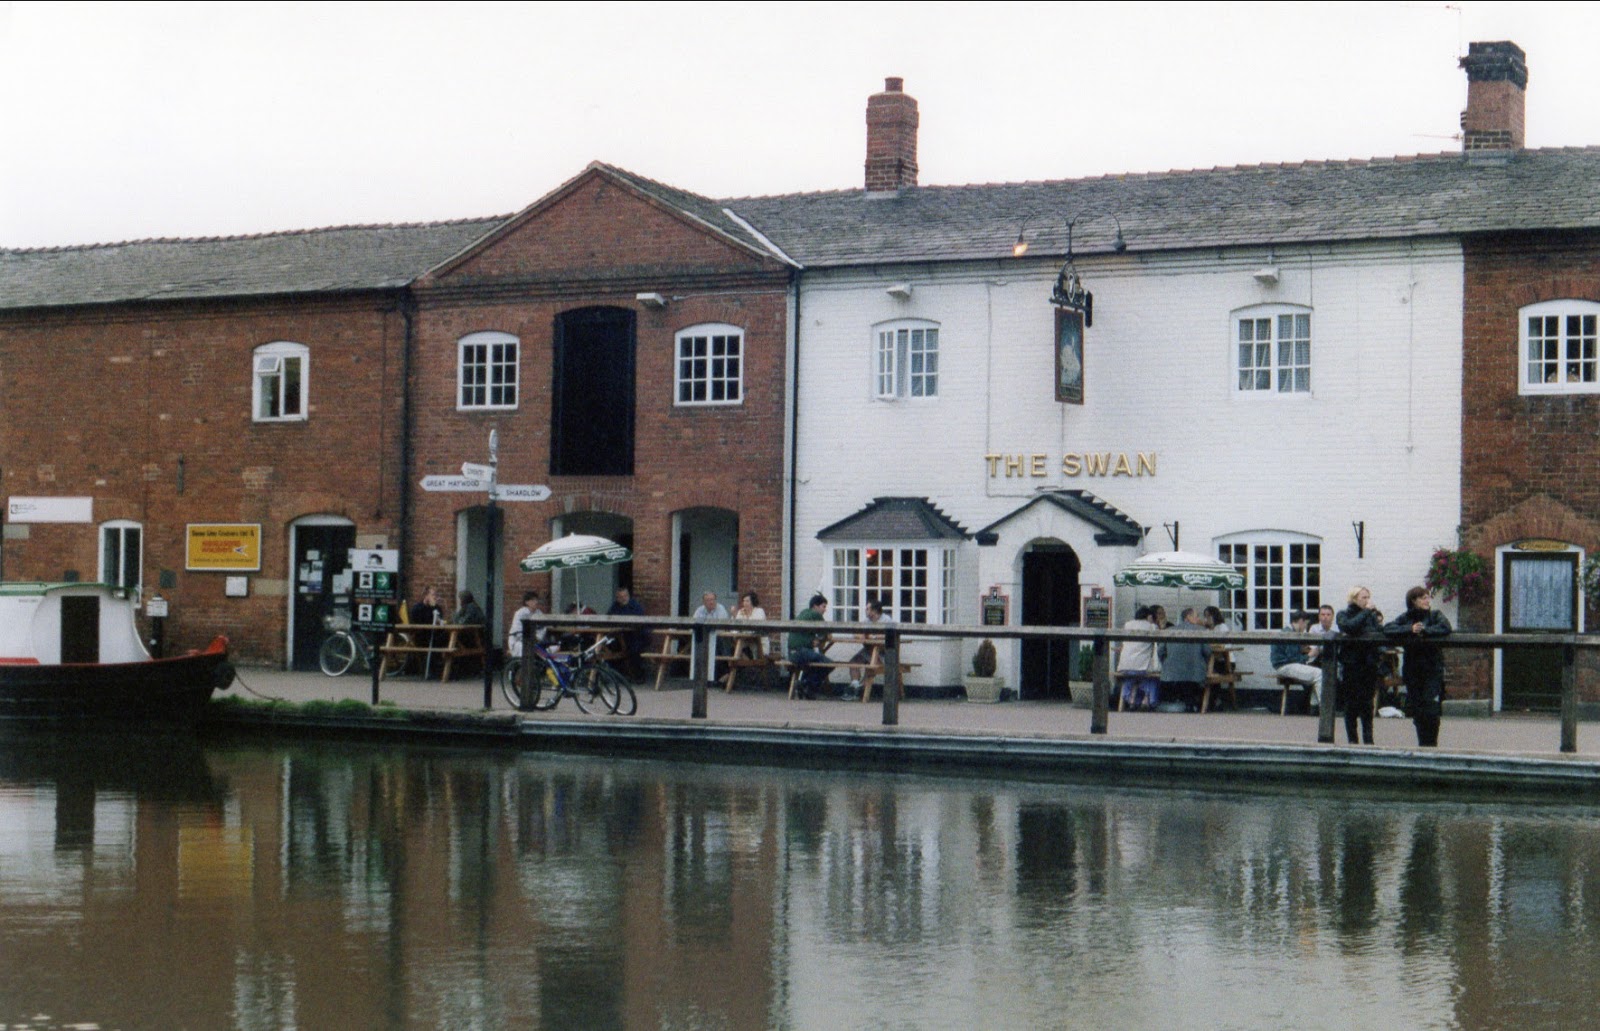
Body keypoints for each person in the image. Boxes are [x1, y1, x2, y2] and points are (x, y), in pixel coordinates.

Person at [1384, 586, 1453, 747]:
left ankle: (1431, 744)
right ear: (1413, 601)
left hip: (1432, 668)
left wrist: (1425, 630)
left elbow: (1445, 627)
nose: (1427, 600)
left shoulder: (1435, 615)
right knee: (1418, 709)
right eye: (1422, 598)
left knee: (1431, 708)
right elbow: (1388, 628)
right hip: (1413, 669)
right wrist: (1410, 629)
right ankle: (1423, 744)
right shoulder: (1406, 618)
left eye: (1428, 597)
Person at [1336, 586, 1384, 745]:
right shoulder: (1343, 614)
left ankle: (1369, 739)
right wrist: (1365, 612)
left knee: (1367, 704)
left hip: (1368, 664)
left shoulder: (1370, 616)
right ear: (1354, 598)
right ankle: (1352, 740)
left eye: (1368, 597)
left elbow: (1378, 632)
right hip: (1351, 664)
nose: (1367, 601)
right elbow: (1350, 627)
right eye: (1364, 597)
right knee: (1350, 704)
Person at [1160, 607, 1210, 712]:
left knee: (1183, 679)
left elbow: (1160, 651)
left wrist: (1165, 662)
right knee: (1193, 677)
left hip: (1171, 671)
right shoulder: (1202, 631)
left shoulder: (1169, 630)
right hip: (1195, 670)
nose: (1198, 619)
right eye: (1196, 616)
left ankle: (1181, 703)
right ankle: (1191, 705)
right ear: (1188, 617)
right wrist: (1203, 662)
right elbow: (1207, 651)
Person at [845, 597, 894, 698]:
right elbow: (856, 633)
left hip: (883, 653)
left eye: (868, 608)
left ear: (875, 610)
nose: (866, 611)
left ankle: (861, 692)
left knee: (870, 668)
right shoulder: (867, 620)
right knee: (854, 662)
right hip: (868, 650)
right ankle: (855, 686)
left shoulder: (886, 620)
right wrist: (862, 635)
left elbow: (890, 635)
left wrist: (873, 636)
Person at [1115, 605, 1161, 711]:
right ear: (1149, 616)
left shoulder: (1127, 624)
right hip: (1142, 667)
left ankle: (1131, 699)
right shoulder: (1152, 627)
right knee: (1153, 675)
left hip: (1125, 665)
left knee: (1132, 676)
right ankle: (1147, 698)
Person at [787, 593, 832, 699]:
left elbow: (803, 636)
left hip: (792, 653)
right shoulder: (816, 615)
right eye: (823, 606)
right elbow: (827, 633)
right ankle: (807, 685)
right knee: (828, 663)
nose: (824, 610)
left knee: (815, 662)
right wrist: (817, 640)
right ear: (815, 606)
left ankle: (805, 686)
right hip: (801, 652)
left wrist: (812, 640)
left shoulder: (803, 613)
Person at [1271, 610, 1322, 699]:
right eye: (1306, 624)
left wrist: (1301, 649)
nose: (1305, 627)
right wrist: (1310, 655)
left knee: (1316, 676)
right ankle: (1324, 709)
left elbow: (1290, 654)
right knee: (1320, 674)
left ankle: (1314, 708)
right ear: (1301, 621)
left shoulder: (1286, 631)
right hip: (1285, 666)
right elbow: (1293, 659)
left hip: (1282, 665)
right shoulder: (1291, 634)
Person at [607, 586, 648, 681]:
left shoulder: (635, 606)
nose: (623, 598)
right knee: (609, 647)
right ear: (617, 598)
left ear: (628, 596)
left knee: (634, 650)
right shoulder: (615, 606)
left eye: (625, 596)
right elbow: (609, 617)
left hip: (637, 636)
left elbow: (639, 622)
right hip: (620, 636)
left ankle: (638, 675)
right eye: (620, 597)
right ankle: (617, 674)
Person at [692, 590, 731, 683]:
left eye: (713, 599)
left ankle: (717, 677)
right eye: (708, 600)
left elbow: (722, 627)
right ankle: (700, 676)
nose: (711, 602)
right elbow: (693, 624)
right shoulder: (700, 610)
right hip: (704, 639)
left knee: (717, 646)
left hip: (719, 638)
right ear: (704, 602)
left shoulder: (720, 609)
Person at [506, 589, 544, 659]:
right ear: (527, 602)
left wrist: (537, 638)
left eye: (536, 600)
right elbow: (517, 630)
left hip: (535, 641)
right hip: (518, 641)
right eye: (533, 600)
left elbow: (542, 628)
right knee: (524, 649)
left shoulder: (539, 613)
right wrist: (529, 638)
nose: (536, 602)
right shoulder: (520, 613)